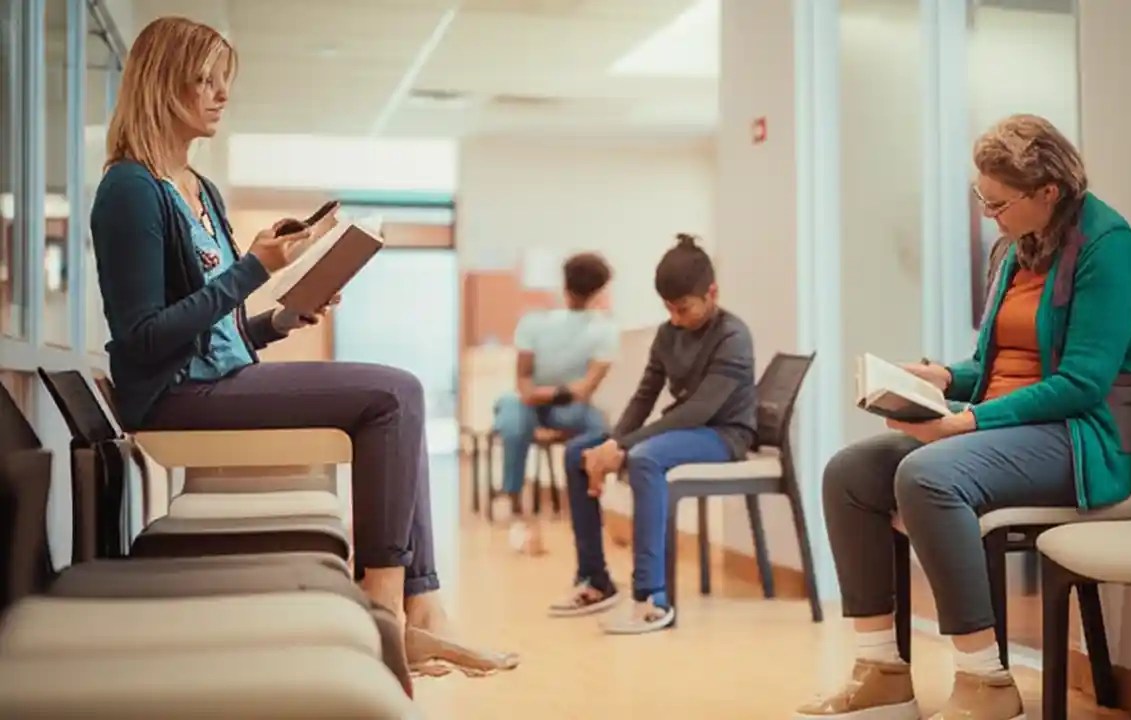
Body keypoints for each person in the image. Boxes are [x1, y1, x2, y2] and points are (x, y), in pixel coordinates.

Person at [90, 16, 516, 678]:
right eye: (204, 79)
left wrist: (280, 320)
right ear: (161, 82)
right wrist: (252, 270)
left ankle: (422, 608)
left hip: (214, 381)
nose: (220, 95)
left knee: (399, 400)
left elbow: (217, 331)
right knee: (397, 392)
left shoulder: (200, 190)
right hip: (174, 399)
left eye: (223, 81)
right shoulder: (129, 190)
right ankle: (385, 612)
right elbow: (143, 338)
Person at [796, 113, 1131, 720]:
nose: (990, 216)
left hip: (1079, 436)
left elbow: (1080, 383)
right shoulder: (1018, 248)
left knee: (928, 474)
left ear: (1048, 192)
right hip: (1004, 426)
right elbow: (995, 361)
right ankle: (881, 669)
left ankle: (986, 682)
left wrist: (967, 423)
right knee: (850, 471)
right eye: (981, 199)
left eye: (998, 204)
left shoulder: (1107, 247)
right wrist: (940, 379)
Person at [548, 234, 757, 634]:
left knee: (645, 458)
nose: (675, 318)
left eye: (683, 308)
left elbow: (700, 411)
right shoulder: (667, 335)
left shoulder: (734, 336)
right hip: (680, 430)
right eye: (668, 309)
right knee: (579, 452)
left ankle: (652, 599)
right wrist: (611, 443)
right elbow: (645, 397)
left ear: (711, 293)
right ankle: (595, 581)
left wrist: (624, 447)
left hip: (723, 435)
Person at [491, 252, 617, 551]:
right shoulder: (540, 324)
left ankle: (589, 499)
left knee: (598, 426)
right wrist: (559, 391)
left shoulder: (599, 329)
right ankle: (513, 501)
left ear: (564, 285)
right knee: (515, 418)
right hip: (533, 407)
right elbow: (532, 390)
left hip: (563, 410)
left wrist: (540, 393)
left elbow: (534, 385)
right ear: (600, 290)